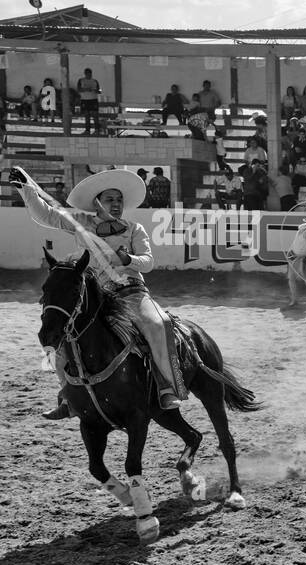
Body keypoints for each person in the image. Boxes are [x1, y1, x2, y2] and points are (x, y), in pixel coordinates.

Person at [13, 168, 185, 414]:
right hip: (95, 298)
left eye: (119, 200)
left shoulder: (134, 229)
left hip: (132, 294)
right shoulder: (82, 223)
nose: (116, 204)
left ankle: (166, 388)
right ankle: (68, 397)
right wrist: (26, 190)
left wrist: (128, 260)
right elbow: (46, 215)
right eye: (109, 199)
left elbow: (148, 262)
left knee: (157, 325)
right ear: (97, 203)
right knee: (59, 339)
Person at [76, 67, 101, 134]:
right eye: (87, 74)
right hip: (85, 100)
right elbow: (78, 89)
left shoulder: (95, 81)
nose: (89, 75)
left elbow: (100, 90)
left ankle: (97, 130)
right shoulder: (81, 80)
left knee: (95, 115)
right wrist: (86, 89)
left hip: (93, 99)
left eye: (90, 74)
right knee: (87, 116)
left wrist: (96, 91)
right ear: (85, 74)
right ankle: (87, 130)